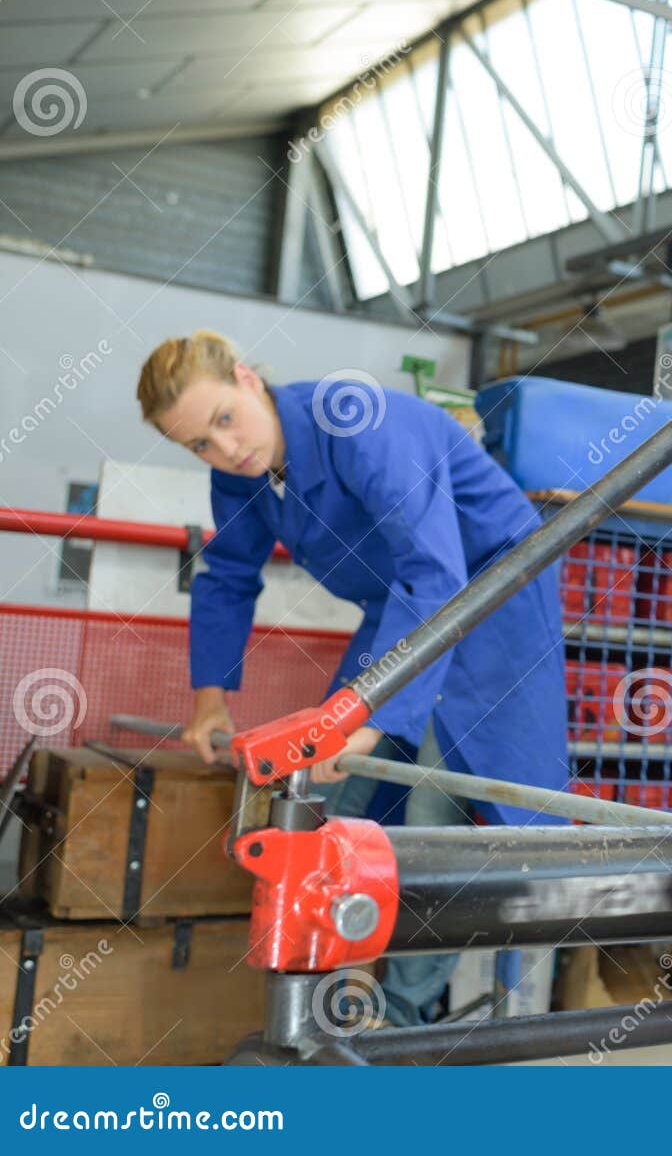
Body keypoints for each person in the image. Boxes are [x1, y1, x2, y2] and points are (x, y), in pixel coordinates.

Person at [136, 331, 570, 1026]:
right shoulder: (240, 472)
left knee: (436, 811)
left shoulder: (356, 421)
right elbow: (229, 577)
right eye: (199, 446)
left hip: (492, 595)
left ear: (248, 379)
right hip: (405, 604)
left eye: (223, 420)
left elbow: (438, 572)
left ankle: (398, 1027)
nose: (224, 450)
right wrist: (209, 701)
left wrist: (371, 723)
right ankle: (325, 1011)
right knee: (335, 802)